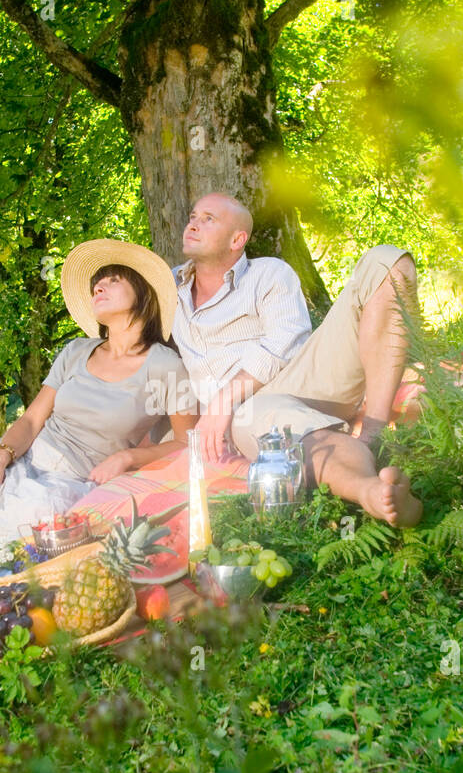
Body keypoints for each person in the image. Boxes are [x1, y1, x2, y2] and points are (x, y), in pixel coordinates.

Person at [0, 240, 197, 543]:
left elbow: (187, 444)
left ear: (143, 293)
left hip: (70, 482)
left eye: (112, 279)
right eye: (96, 283)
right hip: (22, 458)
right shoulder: (76, 351)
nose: (98, 287)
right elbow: (31, 420)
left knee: (11, 540)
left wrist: (128, 457)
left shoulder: (165, 365)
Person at [170, 193, 422, 528]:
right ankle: (373, 492)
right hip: (246, 412)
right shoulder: (167, 287)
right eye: (193, 215)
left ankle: (374, 432)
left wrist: (223, 399)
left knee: (388, 261)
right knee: (275, 424)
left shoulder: (268, 273)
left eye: (208, 218)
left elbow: (284, 342)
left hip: (302, 379)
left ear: (237, 239)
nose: (193, 222)